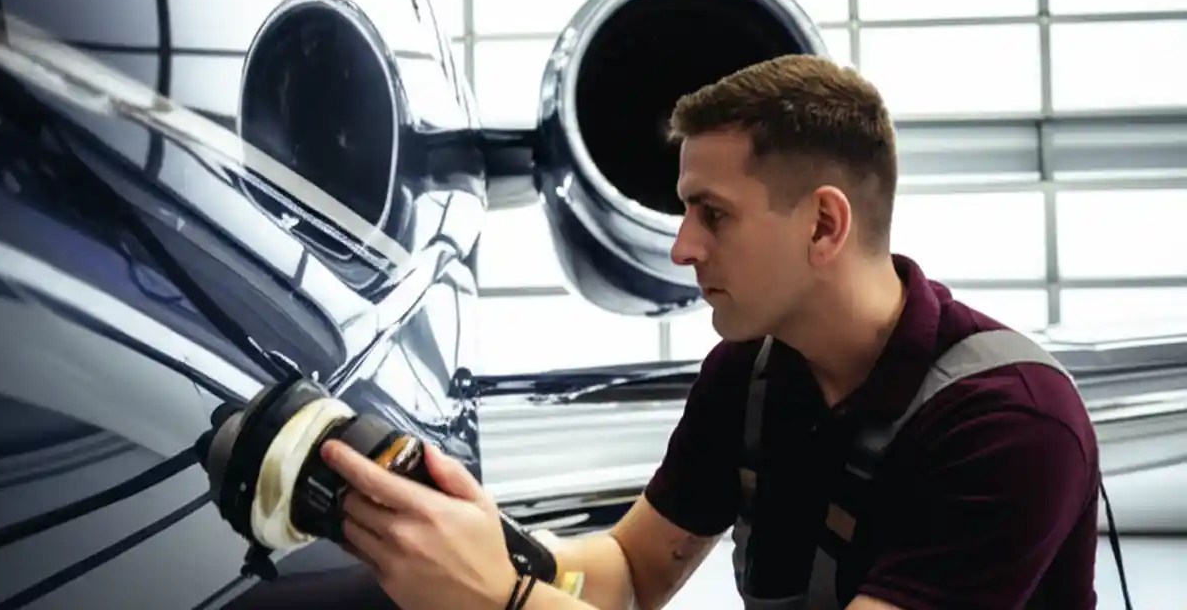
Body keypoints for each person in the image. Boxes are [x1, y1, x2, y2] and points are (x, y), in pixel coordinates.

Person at [321, 54, 1101, 610]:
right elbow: (629, 569)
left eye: (712, 214)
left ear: (824, 223)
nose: (681, 248)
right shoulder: (751, 372)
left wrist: (506, 600)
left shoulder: (1011, 424)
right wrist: (492, 544)